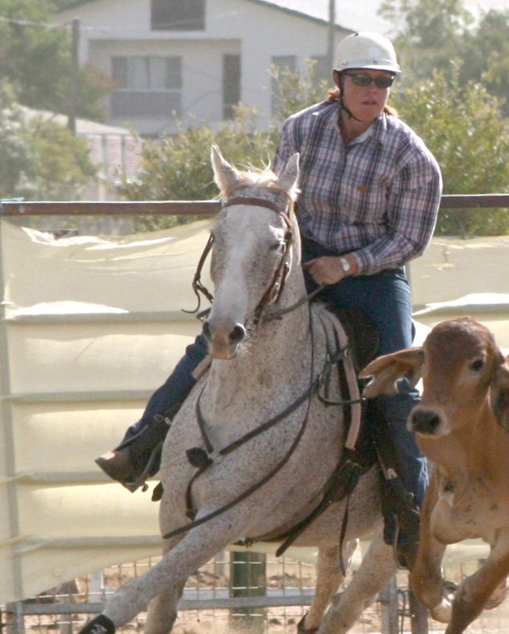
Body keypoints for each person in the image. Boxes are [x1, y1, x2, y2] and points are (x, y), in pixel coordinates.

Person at [96, 31, 442, 563]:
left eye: (383, 81)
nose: (373, 90)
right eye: (362, 79)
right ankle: (141, 445)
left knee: (392, 381)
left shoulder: (412, 156)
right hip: (299, 260)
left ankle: (407, 504)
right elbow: (282, 202)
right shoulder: (300, 129)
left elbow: (409, 240)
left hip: (374, 275)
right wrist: (293, 261)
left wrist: (347, 264)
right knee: (216, 336)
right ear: (339, 83)